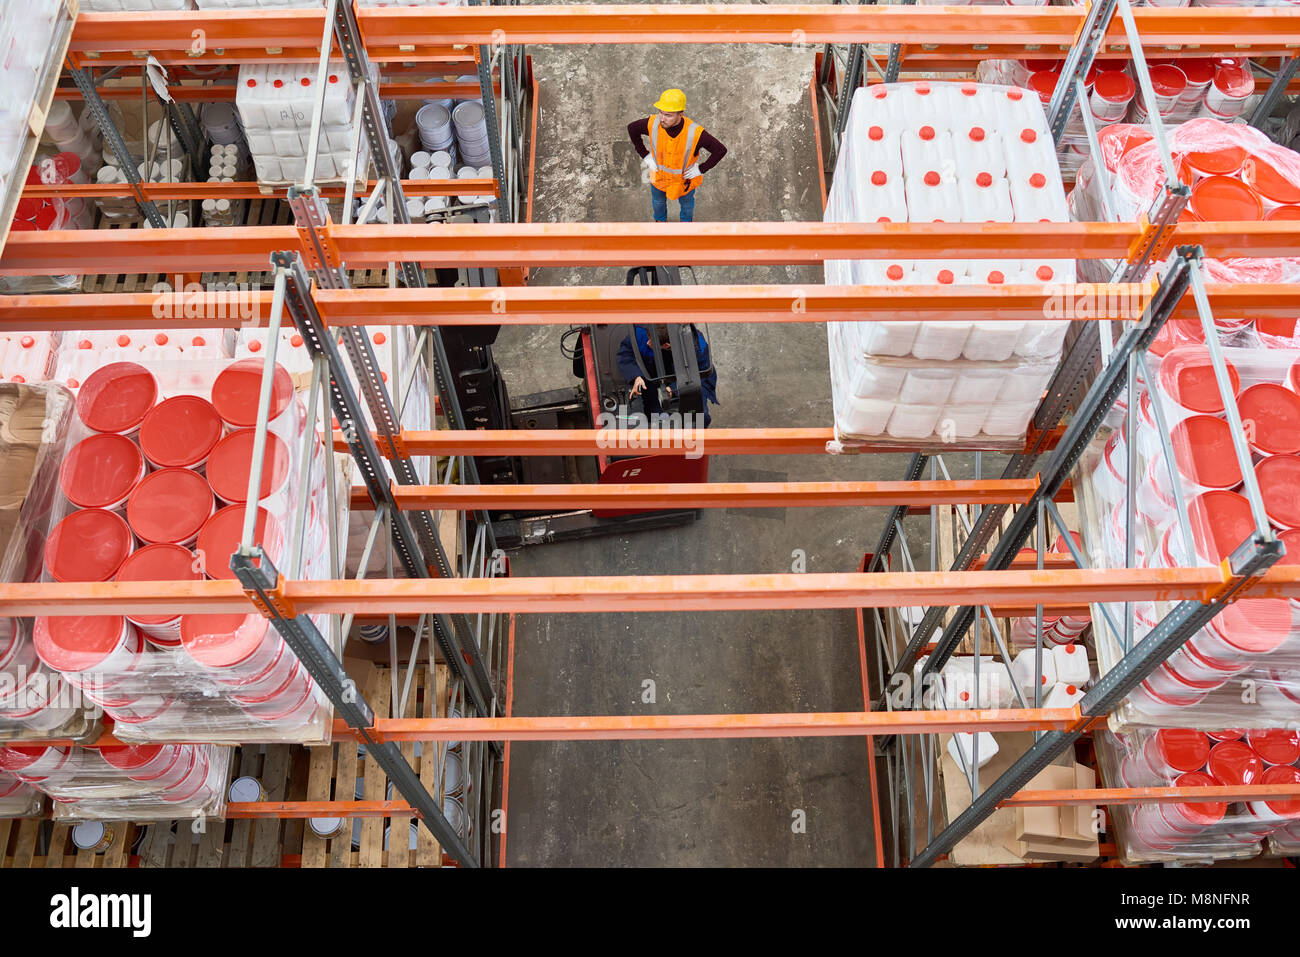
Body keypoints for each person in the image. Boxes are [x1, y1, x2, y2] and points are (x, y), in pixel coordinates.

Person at [627, 89, 728, 223]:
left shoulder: (695, 133)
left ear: (680, 113)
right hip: (659, 177)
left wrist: (701, 169)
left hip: (683, 181)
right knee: (658, 203)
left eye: (668, 115)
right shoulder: (653, 124)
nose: (662, 118)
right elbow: (632, 128)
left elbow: (720, 150)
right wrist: (645, 154)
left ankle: (685, 227)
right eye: (661, 113)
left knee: (687, 206)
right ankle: (660, 223)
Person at [617, 323, 719, 427]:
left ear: (666, 345)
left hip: (691, 380)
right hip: (653, 378)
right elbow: (626, 353)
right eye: (649, 337)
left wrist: (674, 389)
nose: (647, 343)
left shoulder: (697, 347)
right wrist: (636, 376)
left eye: (651, 342)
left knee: (698, 418)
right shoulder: (640, 333)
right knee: (657, 418)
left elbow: (700, 375)